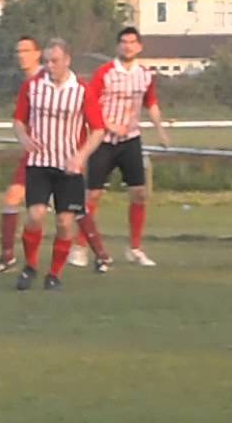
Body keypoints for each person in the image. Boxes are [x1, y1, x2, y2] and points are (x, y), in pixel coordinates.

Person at [12, 38, 107, 291]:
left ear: (67, 60)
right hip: (39, 163)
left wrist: (81, 156)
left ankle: (54, 274)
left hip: (69, 167)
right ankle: (30, 266)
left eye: (54, 61)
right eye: (46, 61)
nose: (49, 65)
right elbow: (19, 121)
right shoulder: (33, 87)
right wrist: (23, 138)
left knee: (65, 222)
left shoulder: (82, 90)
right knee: (35, 215)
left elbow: (98, 130)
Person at [76, 27, 170, 271]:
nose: (128, 46)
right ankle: (80, 246)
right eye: (123, 42)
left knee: (139, 192)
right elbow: (90, 103)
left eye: (132, 42)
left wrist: (161, 131)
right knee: (92, 195)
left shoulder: (145, 74)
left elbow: (151, 102)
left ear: (139, 47)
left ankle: (135, 248)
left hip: (130, 140)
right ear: (118, 46)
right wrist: (109, 125)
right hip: (103, 140)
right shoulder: (105, 73)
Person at [0, 35, 44, 273]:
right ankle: (8, 256)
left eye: (26, 50)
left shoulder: (46, 79)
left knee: (72, 212)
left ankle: (98, 253)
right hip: (35, 154)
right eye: (18, 51)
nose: (21, 55)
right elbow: (19, 120)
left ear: (38, 53)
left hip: (60, 153)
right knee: (12, 199)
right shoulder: (26, 85)